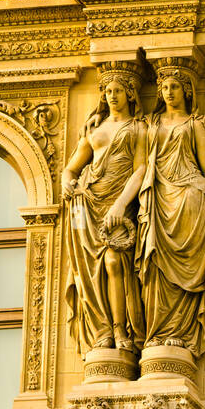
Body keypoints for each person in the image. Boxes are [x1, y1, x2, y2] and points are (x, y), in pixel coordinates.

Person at [136, 61, 205, 356]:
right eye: (164, 87)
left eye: (175, 86)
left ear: (187, 90)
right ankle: (158, 331)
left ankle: (179, 331)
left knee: (185, 267)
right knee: (155, 267)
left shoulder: (195, 124)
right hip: (156, 198)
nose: (169, 91)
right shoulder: (151, 123)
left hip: (190, 195)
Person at [62, 65, 145, 355]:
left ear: (130, 93)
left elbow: (141, 169)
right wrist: (66, 183)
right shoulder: (95, 129)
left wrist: (122, 204)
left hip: (118, 203)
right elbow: (71, 168)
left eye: (118, 91)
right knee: (90, 271)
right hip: (88, 201)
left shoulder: (138, 128)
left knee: (113, 263)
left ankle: (122, 330)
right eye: (108, 91)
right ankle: (104, 330)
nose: (112, 96)